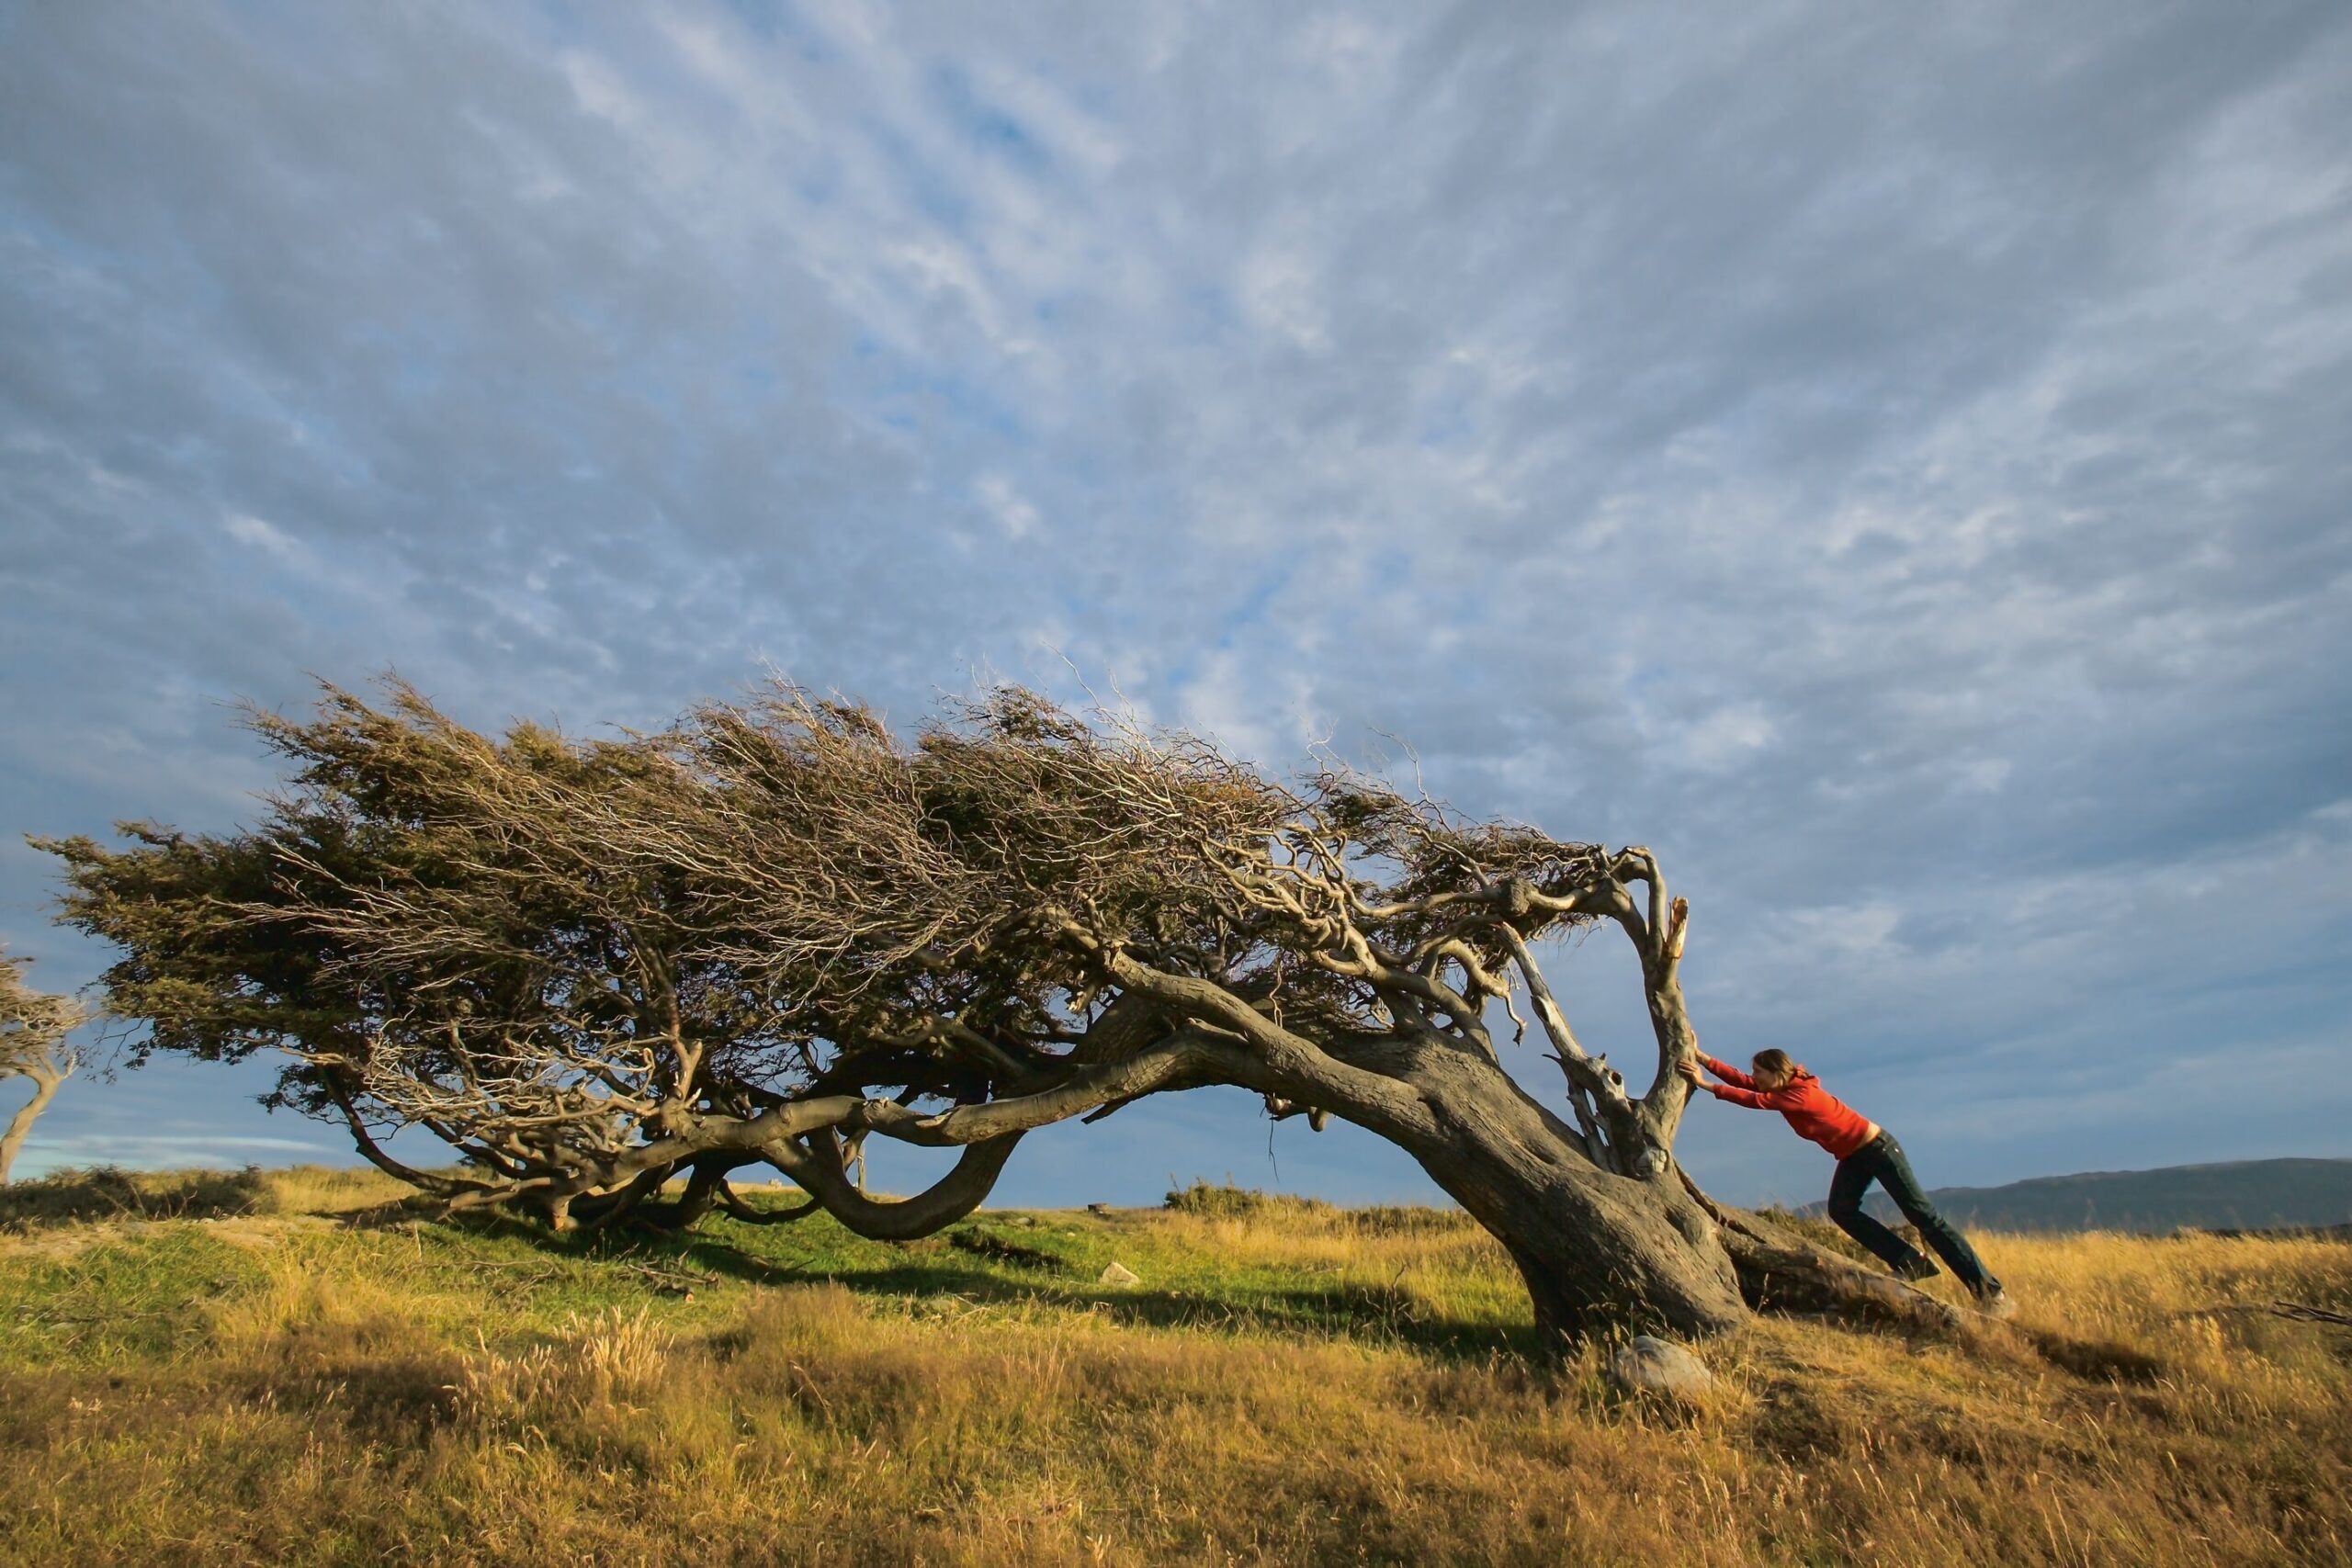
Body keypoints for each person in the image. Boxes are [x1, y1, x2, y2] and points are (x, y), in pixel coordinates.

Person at [1676, 1046, 2016, 1318]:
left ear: (1777, 1073)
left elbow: (1756, 1099)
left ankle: (1991, 1293)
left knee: (1923, 1217)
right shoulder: (1785, 1087)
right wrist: (1705, 1059)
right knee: (1842, 1209)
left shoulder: (1800, 1095)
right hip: (1854, 1156)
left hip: (1879, 1149)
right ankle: (1911, 1262)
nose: (1754, 1077)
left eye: (1759, 1072)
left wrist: (1706, 1085)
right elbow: (1749, 1085)